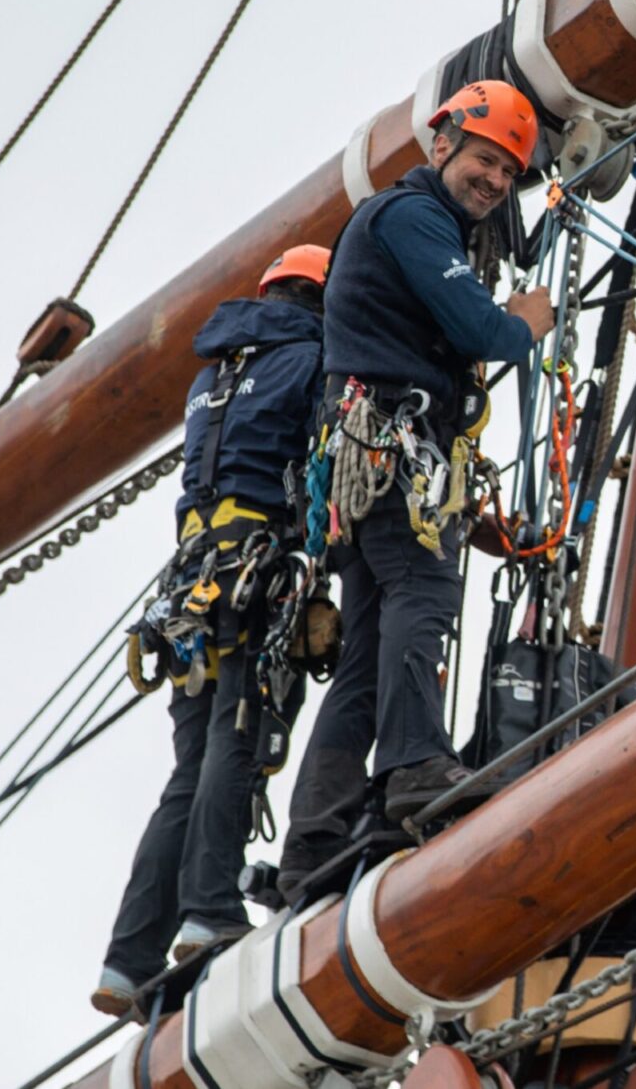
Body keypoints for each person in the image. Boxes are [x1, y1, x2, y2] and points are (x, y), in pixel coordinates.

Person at [278, 79, 555, 896]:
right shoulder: (410, 217)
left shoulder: (423, 225)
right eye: (484, 160)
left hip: (374, 462)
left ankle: (314, 845)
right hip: (393, 453)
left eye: (510, 172)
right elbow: (483, 331)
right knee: (422, 591)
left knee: (363, 654)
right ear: (441, 147)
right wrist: (524, 323)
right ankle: (412, 769)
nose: (497, 182)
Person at [92, 245, 331, 1016]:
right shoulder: (314, 355)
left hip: (190, 590)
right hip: (249, 576)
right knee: (237, 738)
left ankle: (127, 961)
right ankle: (208, 910)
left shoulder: (212, 375)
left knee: (188, 772)